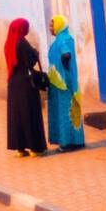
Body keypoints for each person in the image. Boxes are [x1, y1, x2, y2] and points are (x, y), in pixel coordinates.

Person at [3, 17, 46, 156]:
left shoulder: (9, 43)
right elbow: (29, 62)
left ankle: (20, 149)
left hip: (13, 83)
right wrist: (35, 54)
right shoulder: (22, 43)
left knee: (16, 116)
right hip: (25, 83)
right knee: (30, 114)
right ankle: (34, 148)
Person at [45, 15, 84, 150]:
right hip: (61, 82)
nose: (50, 28)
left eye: (52, 26)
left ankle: (66, 143)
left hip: (63, 84)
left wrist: (64, 73)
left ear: (59, 26)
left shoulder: (62, 40)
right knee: (71, 110)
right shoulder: (64, 38)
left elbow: (66, 55)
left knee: (65, 112)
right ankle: (76, 141)